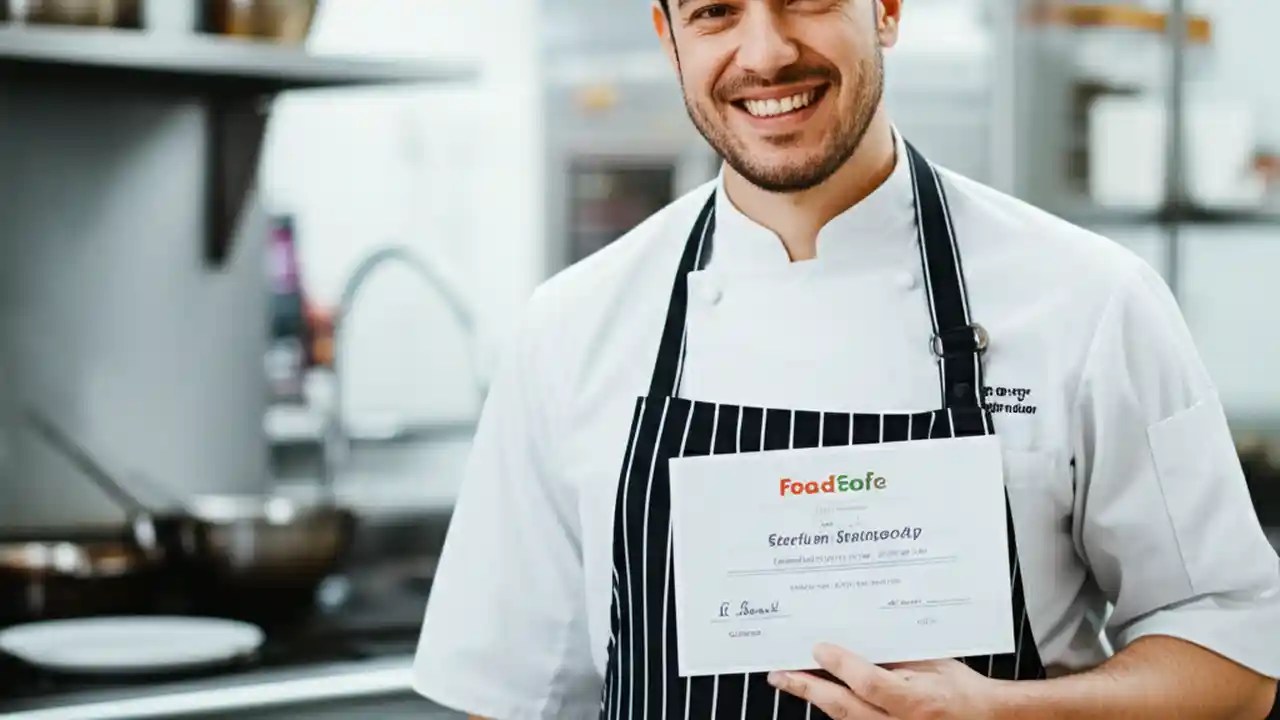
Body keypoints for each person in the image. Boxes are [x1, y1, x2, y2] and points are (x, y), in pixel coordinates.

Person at [412, 1, 1280, 718]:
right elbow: (510, 695)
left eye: (805, 0)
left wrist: (1004, 712)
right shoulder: (571, 327)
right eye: (716, 12)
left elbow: (1238, 661)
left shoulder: (1092, 301)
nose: (766, 52)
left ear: (888, 11)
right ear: (668, 33)